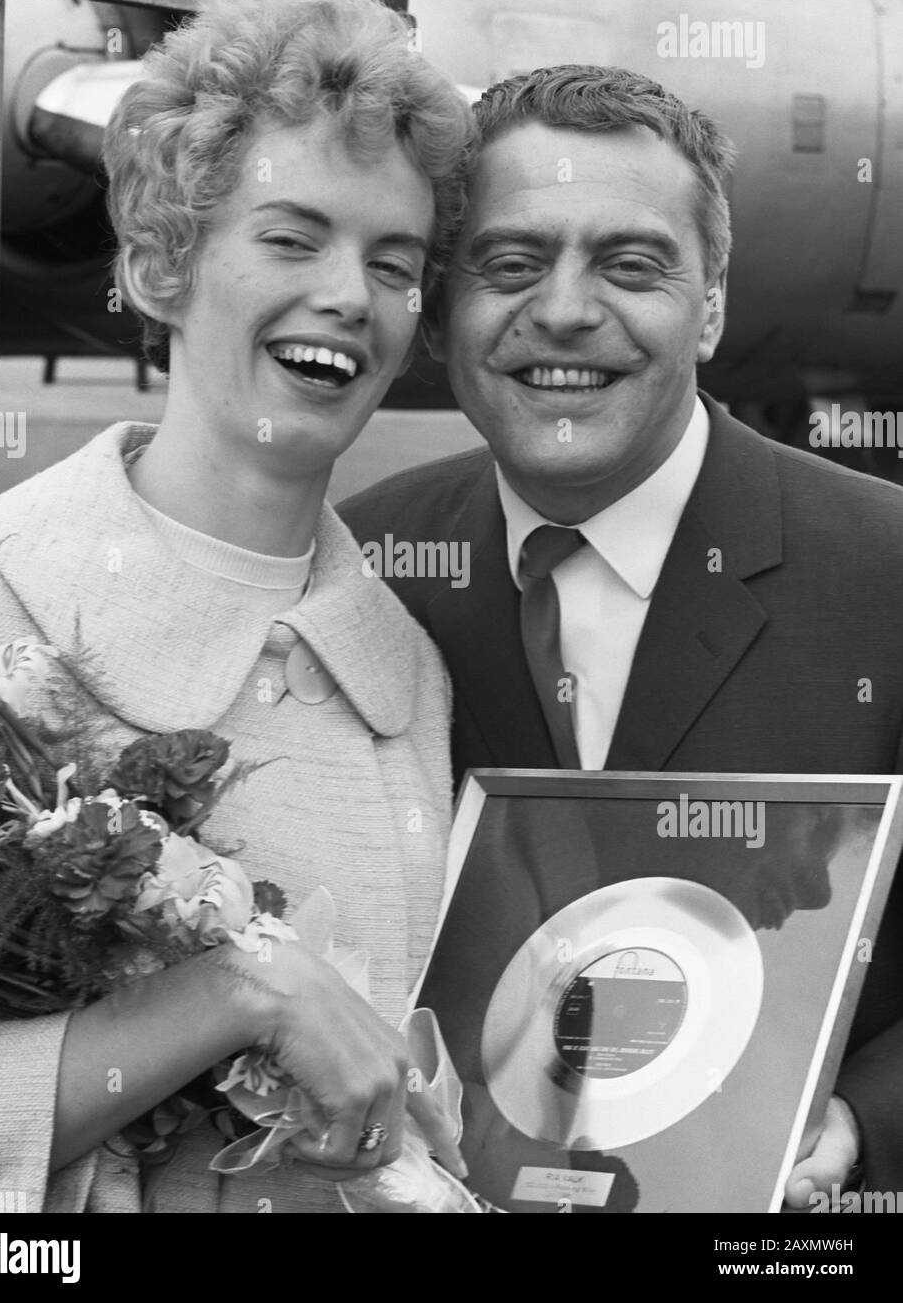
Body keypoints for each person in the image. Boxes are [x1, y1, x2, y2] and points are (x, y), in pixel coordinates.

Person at [0, 0, 475, 1213]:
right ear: (163, 262)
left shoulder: (409, 671)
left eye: (393, 261)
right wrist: (239, 989)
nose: (348, 293)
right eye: (290, 237)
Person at [339, 64, 903, 1203]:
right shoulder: (362, 569)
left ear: (710, 302)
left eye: (629, 265)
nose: (560, 311)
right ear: (443, 307)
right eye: (508, 263)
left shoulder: (883, 573)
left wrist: (858, 1121)